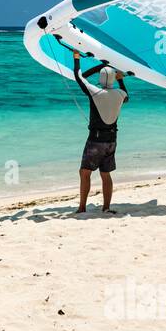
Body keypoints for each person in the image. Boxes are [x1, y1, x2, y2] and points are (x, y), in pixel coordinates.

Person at [64, 42, 129, 215]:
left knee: (84, 172)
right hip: (112, 141)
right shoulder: (120, 95)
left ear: (100, 79)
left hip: (96, 140)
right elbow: (126, 96)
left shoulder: (96, 92)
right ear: (113, 79)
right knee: (105, 174)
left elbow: (79, 77)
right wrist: (121, 80)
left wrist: (76, 57)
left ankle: (82, 207)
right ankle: (106, 207)